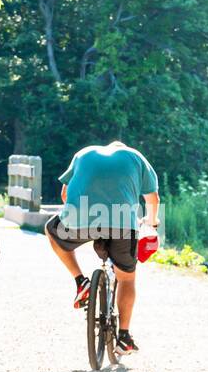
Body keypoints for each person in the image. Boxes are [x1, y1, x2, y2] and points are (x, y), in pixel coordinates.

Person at [44, 141, 159, 354]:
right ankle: (123, 337)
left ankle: (81, 281)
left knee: (51, 230)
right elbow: (152, 198)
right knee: (126, 278)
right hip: (123, 224)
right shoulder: (136, 157)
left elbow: (64, 195)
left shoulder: (83, 154)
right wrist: (151, 222)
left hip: (79, 220)